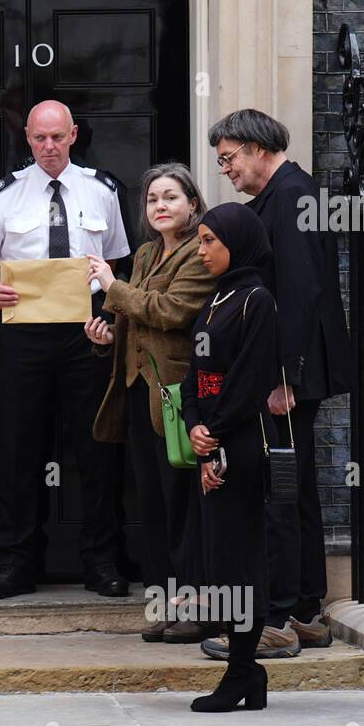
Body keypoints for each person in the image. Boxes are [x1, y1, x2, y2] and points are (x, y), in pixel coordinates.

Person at [0, 100, 131, 599]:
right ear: (27, 138)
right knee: (18, 449)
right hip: (23, 335)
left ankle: (102, 563)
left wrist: (111, 313)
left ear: (74, 134)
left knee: (97, 449)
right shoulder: (4, 195)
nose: (49, 147)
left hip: (87, 331)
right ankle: (16, 565)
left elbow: (119, 258)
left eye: (57, 137)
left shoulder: (102, 190)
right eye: (39, 139)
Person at [208, 109, 353, 657]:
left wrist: (284, 377)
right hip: (291, 372)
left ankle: (276, 623)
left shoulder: (292, 196)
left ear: (254, 147)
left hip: (286, 377)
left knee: (279, 492)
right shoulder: (286, 195)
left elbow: (300, 291)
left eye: (228, 158)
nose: (226, 170)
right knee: (298, 489)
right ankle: (307, 610)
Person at [83, 164, 218, 642]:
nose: (159, 207)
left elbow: (172, 312)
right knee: (154, 504)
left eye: (170, 198)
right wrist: (103, 335)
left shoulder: (198, 253)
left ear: (192, 204)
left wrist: (111, 286)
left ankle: (198, 607)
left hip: (180, 396)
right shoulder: (142, 254)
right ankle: (166, 604)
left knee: (184, 502)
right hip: (140, 393)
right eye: (152, 200)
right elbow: (130, 317)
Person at [180, 203, 279, 711]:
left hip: (238, 444)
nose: (200, 251)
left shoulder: (256, 300)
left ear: (235, 243)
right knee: (219, 559)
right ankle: (246, 674)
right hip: (212, 441)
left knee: (241, 560)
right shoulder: (216, 299)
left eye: (207, 242)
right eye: (199, 242)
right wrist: (194, 425)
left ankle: (242, 670)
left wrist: (212, 434)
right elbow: (192, 375)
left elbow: (248, 381)